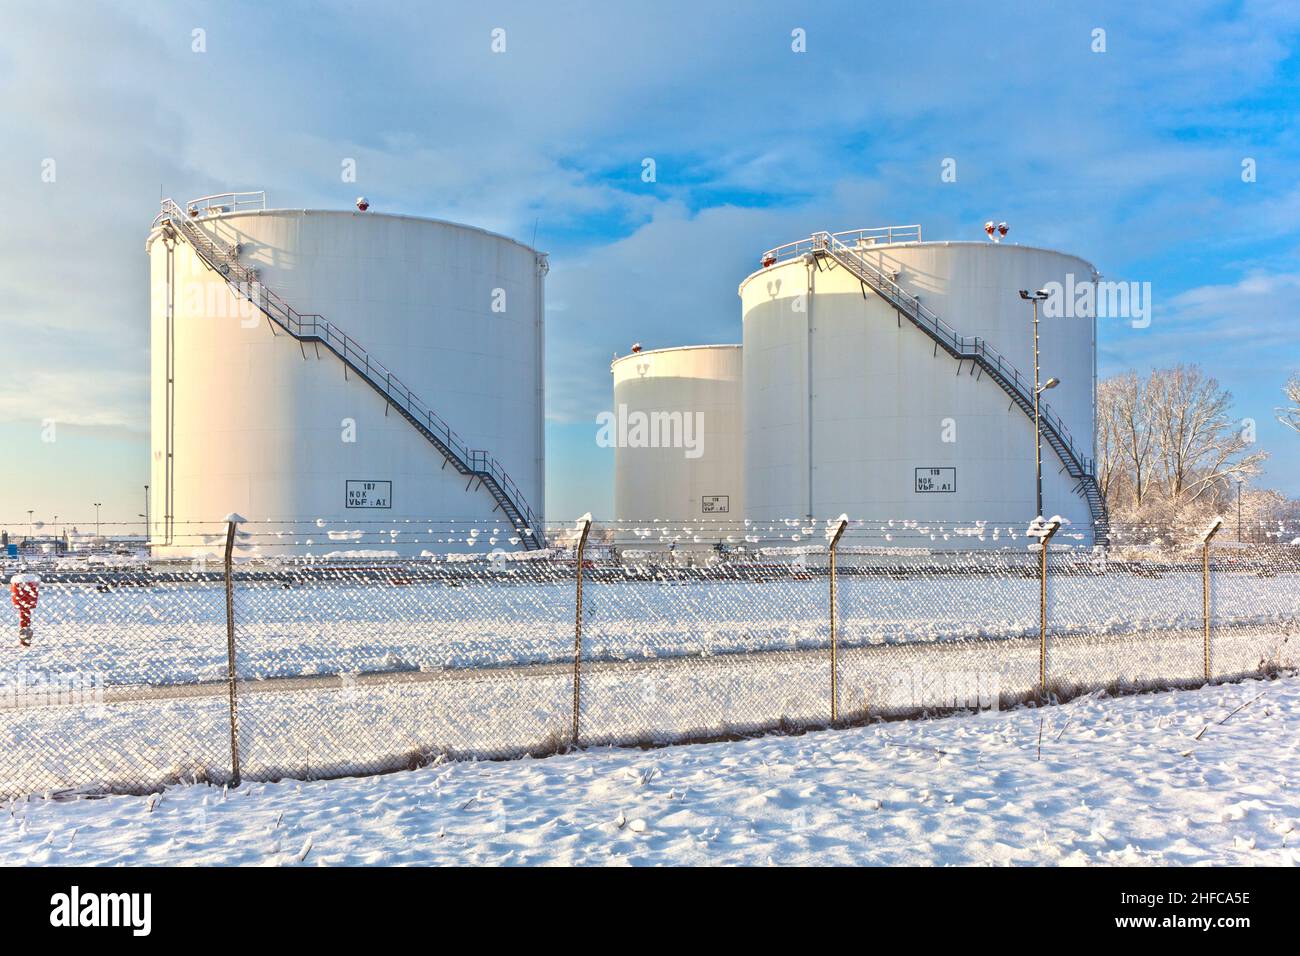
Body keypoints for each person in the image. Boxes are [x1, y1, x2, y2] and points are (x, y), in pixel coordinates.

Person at [10, 571, 40, 647]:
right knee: (25, 613)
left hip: (22, 597)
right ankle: (25, 636)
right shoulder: (31, 579)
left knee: (24, 613)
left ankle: (25, 636)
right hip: (28, 598)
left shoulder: (17, 580)